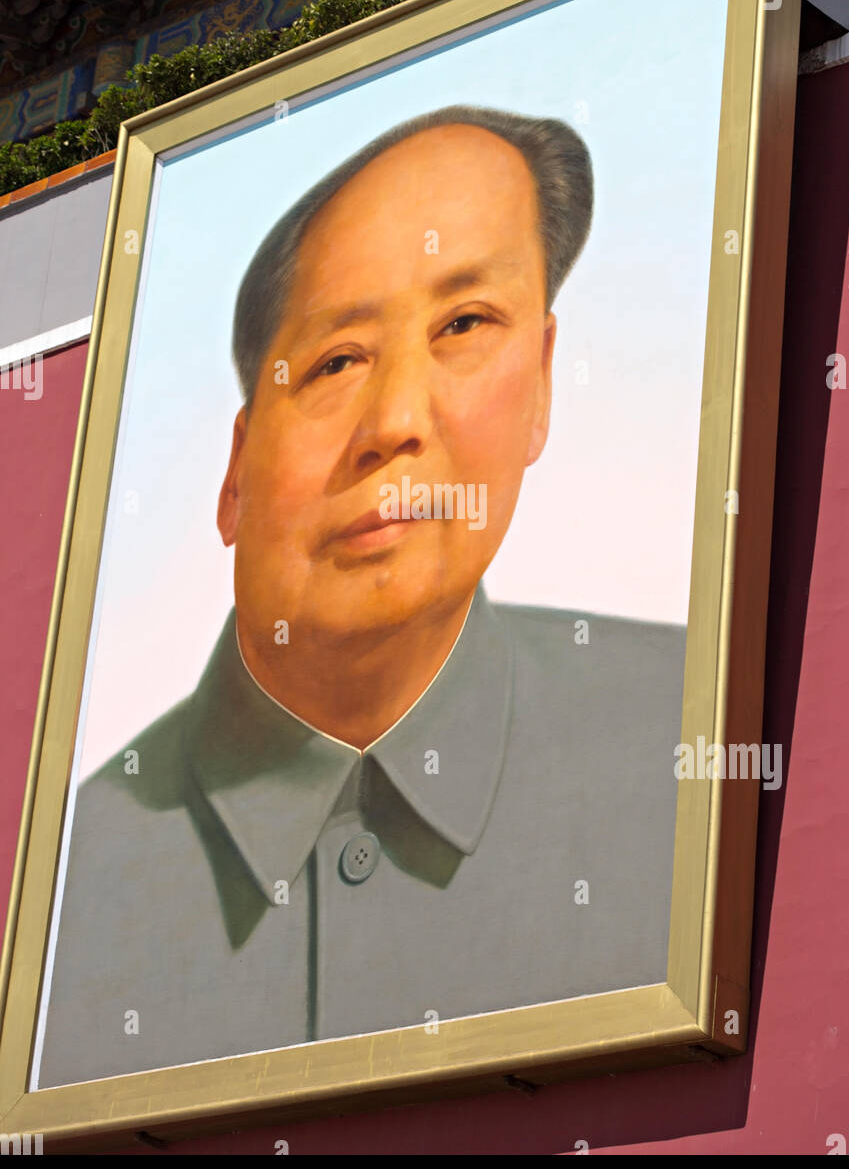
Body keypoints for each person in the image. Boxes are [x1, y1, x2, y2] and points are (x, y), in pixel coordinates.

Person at [38, 106, 685, 1088]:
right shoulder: (61, 892)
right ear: (235, 469)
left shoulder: (686, 740)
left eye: (462, 325)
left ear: (543, 379)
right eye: (336, 360)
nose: (392, 424)